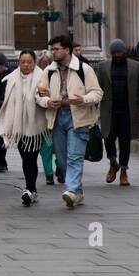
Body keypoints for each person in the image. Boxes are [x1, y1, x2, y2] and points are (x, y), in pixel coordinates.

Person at [40, 34, 103, 208]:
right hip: (57, 116)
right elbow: (38, 95)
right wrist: (47, 101)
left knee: (74, 156)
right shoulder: (49, 71)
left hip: (78, 116)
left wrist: (82, 99)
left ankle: (72, 189)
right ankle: (78, 191)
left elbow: (97, 93)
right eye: (52, 49)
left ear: (67, 50)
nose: (54, 52)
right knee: (61, 160)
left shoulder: (84, 69)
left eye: (57, 49)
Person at [0, 49, 50, 206]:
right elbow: (6, 102)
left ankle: (30, 189)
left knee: (31, 157)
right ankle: (31, 190)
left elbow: (46, 97)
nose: (26, 65)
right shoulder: (12, 79)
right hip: (18, 126)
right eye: (23, 62)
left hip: (35, 125)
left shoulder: (42, 77)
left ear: (34, 62)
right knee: (25, 158)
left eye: (29, 62)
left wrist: (42, 97)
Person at [96, 39, 139, 186]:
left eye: (119, 52)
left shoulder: (135, 66)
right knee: (108, 137)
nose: (117, 55)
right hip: (109, 110)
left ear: (124, 52)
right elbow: (97, 88)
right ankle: (113, 162)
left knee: (125, 142)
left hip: (128, 110)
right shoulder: (103, 66)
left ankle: (124, 171)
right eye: (114, 52)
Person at [37, 50, 57, 185]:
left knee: (60, 147)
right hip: (43, 119)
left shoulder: (56, 75)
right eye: (43, 63)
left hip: (58, 117)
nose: (45, 66)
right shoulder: (37, 77)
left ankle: (60, 168)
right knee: (47, 148)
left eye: (47, 63)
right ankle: (49, 173)